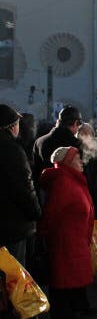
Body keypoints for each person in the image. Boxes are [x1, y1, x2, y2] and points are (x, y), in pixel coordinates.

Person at [39, 146, 97, 319]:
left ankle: (78, 305)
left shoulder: (72, 179)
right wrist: (43, 233)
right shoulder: (63, 182)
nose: (81, 162)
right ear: (68, 162)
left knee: (74, 274)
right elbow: (51, 212)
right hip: (66, 239)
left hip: (75, 237)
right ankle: (64, 311)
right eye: (77, 158)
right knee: (65, 276)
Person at [0, 105, 41, 266]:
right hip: (12, 225)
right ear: (11, 126)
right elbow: (24, 187)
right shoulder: (12, 149)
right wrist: (36, 213)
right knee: (13, 279)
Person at [33, 105, 82, 184]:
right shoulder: (76, 143)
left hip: (45, 190)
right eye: (78, 125)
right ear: (76, 123)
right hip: (68, 188)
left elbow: (35, 171)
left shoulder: (39, 141)